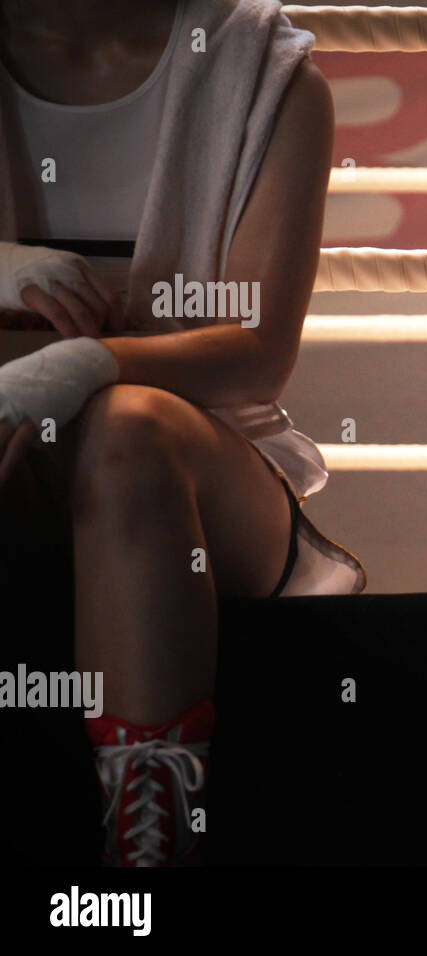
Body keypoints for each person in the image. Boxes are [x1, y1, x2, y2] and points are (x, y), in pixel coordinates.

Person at [0, 0, 363, 866]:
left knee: (128, 433)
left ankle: (150, 857)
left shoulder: (265, 72)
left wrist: (77, 367)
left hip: (204, 476)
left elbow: (256, 353)